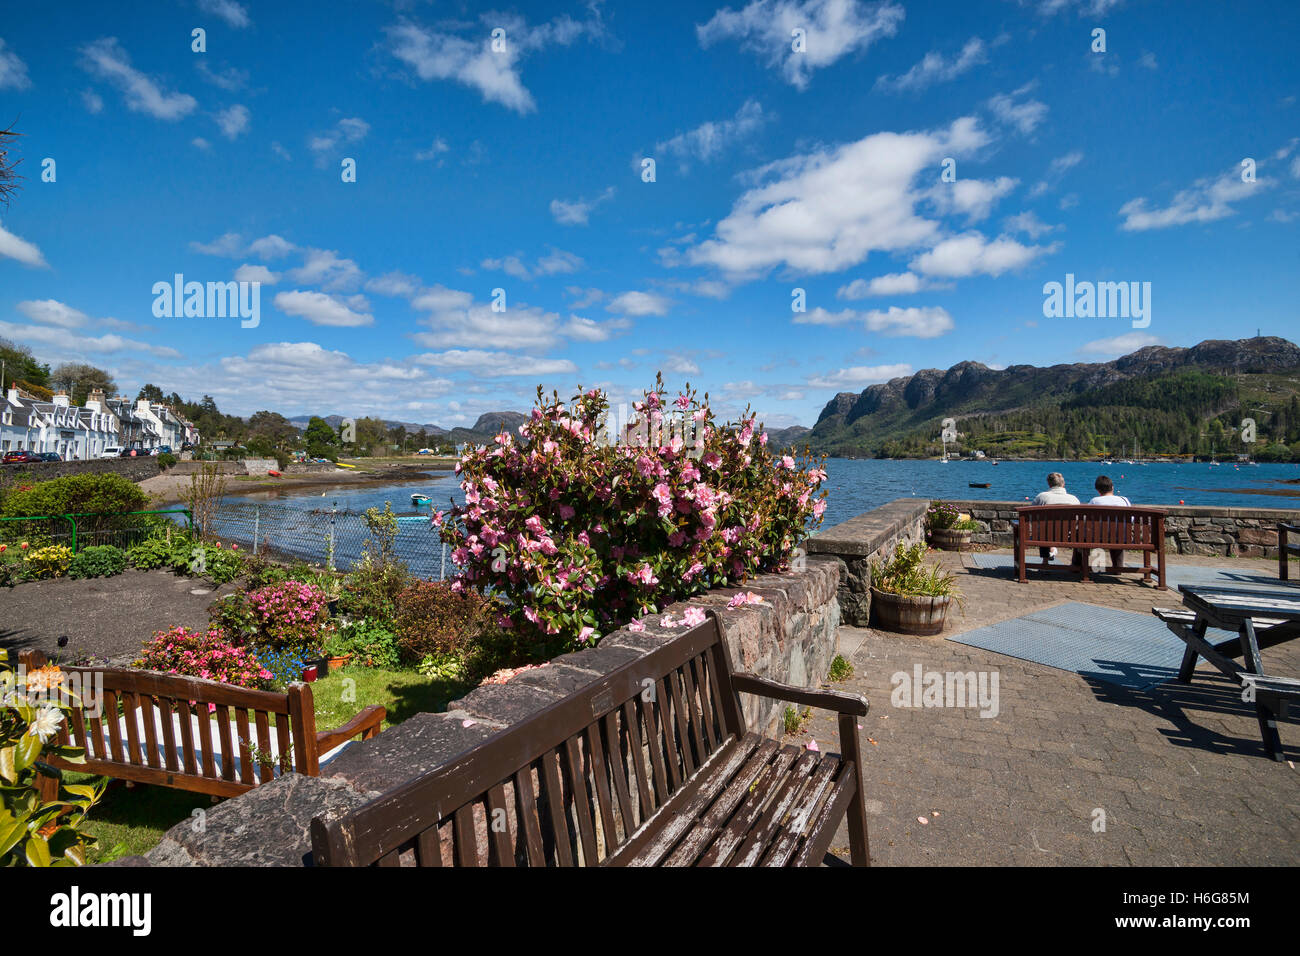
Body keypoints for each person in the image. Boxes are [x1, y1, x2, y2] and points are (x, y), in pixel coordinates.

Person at [1032, 473, 1078, 563]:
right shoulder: (1074, 500)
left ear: (1049, 484)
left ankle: (1045, 562)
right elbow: (1078, 520)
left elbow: (1032, 516)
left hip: (1044, 535)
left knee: (1044, 529)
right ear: (1063, 484)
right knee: (1045, 529)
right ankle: (1076, 566)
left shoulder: (1042, 497)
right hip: (1068, 536)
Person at [1088, 475, 1131, 571]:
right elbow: (1131, 519)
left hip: (1099, 537)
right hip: (1122, 537)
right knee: (1117, 534)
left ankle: (1077, 566)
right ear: (1112, 487)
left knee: (1081, 535)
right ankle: (1118, 567)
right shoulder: (1124, 500)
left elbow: (1088, 520)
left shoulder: (1095, 501)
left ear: (1097, 490)